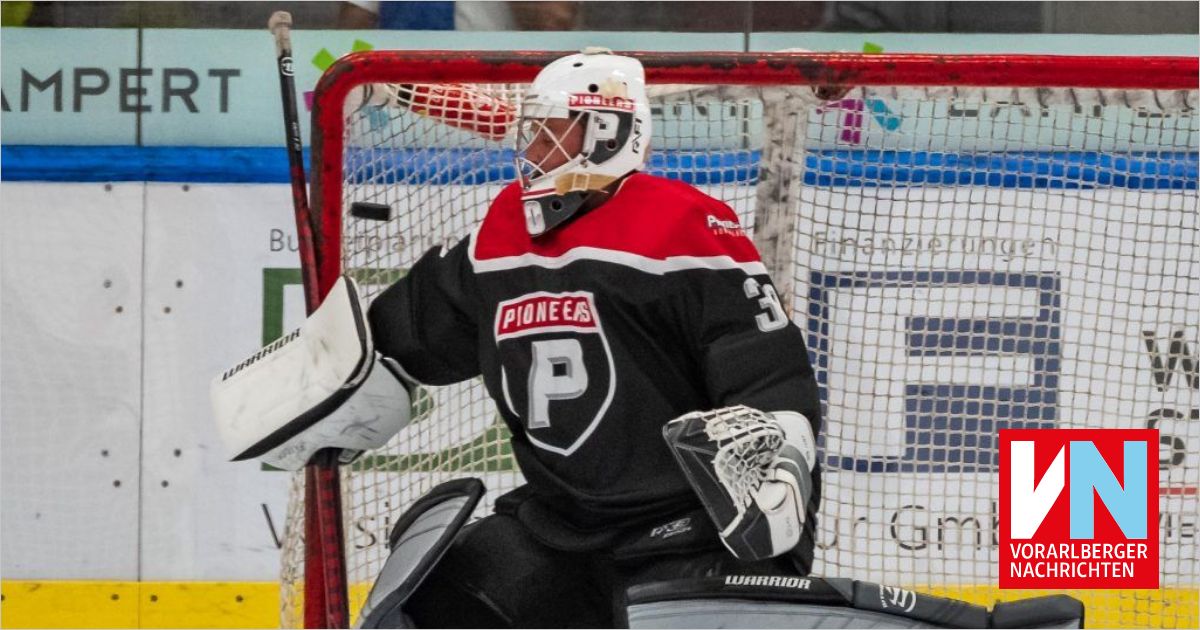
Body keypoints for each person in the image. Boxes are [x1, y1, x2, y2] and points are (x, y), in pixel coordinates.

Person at [213, 49, 822, 628]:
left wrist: (779, 462)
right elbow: (414, 335)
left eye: (555, 131)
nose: (534, 148)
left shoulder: (684, 222)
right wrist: (332, 371)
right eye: (533, 132)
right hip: (561, 524)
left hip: (681, 531)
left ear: (610, 132)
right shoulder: (504, 226)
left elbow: (764, 368)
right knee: (436, 605)